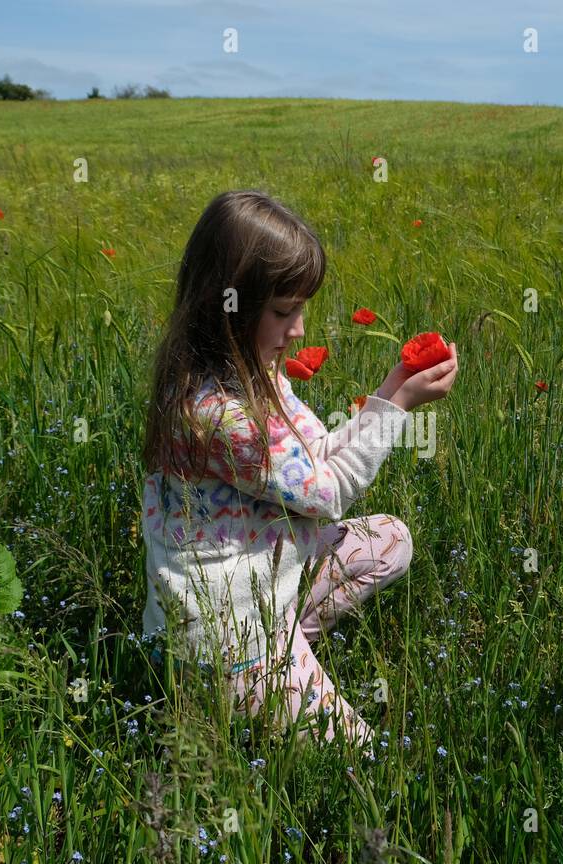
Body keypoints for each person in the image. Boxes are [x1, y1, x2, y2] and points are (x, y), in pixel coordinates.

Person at [140, 189, 459, 746]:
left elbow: (316, 459)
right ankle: (234, 689)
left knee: (390, 539)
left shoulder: (258, 372)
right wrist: (400, 409)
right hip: (224, 635)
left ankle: (290, 648)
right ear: (228, 305)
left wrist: (392, 386)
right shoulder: (215, 414)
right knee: (354, 756)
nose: (300, 329)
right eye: (284, 312)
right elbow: (330, 492)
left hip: (266, 582)